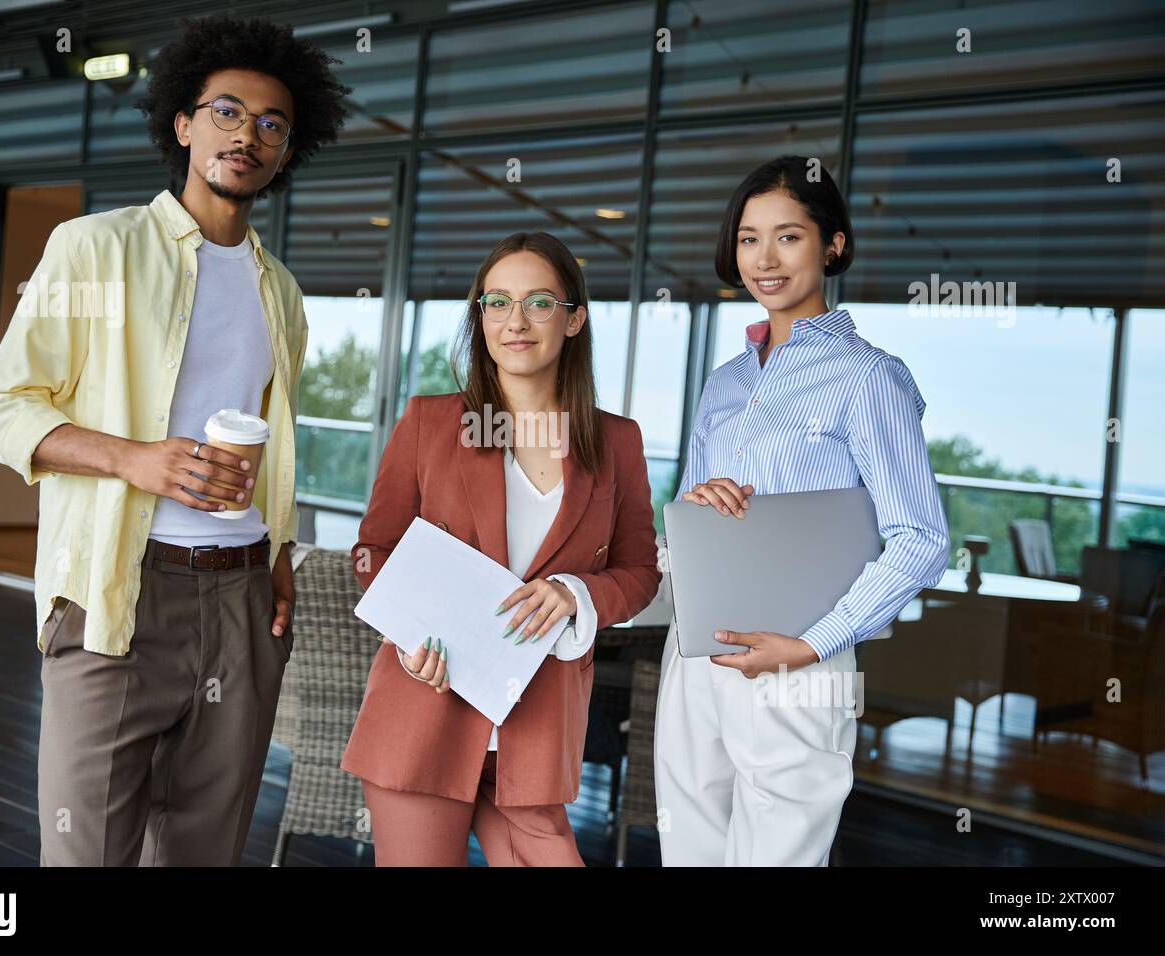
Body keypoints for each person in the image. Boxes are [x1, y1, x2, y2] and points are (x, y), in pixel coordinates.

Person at [0, 15, 348, 866]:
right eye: (226, 111)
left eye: (271, 123)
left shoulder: (280, 294)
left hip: (245, 599)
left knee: (200, 852)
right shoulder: (95, 250)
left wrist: (280, 549)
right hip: (117, 595)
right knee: (85, 847)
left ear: (287, 149)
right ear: (182, 122)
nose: (247, 134)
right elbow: (2, 405)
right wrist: (137, 459)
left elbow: (273, 447)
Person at [653, 155, 950, 866]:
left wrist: (816, 643)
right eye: (749, 238)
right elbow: (685, 521)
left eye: (788, 236)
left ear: (833, 244)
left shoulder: (868, 377)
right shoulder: (724, 384)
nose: (765, 258)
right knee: (687, 846)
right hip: (697, 653)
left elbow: (921, 539)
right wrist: (693, 503)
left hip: (798, 659)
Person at [340, 232, 662, 866]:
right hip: (424, 715)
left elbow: (639, 572)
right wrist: (410, 636)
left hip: (536, 732)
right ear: (479, 317)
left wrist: (576, 593)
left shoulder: (616, 441)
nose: (516, 321)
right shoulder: (430, 423)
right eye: (496, 302)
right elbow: (374, 550)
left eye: (539, 301)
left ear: (574, 319)